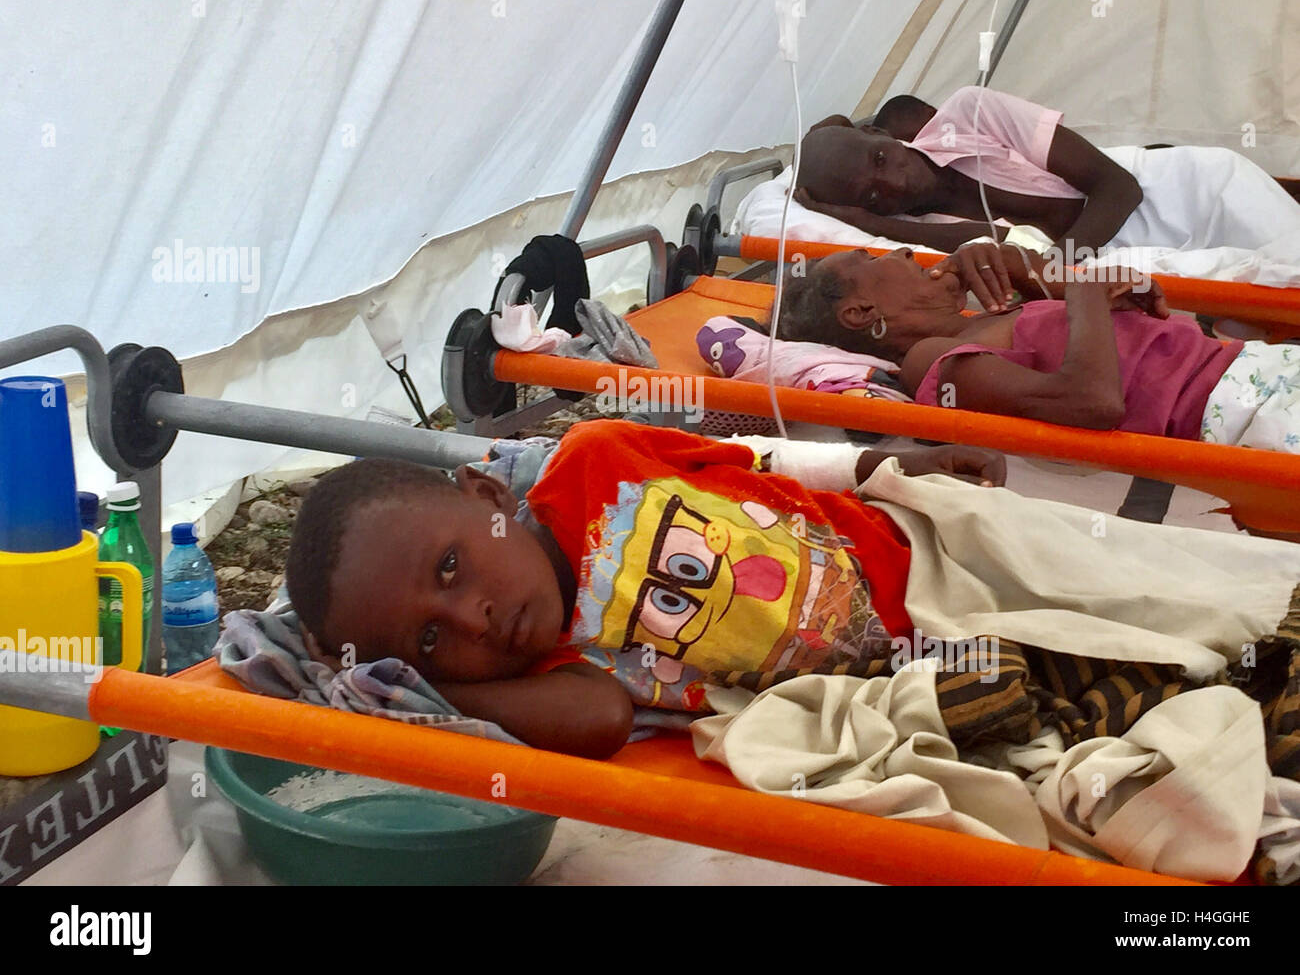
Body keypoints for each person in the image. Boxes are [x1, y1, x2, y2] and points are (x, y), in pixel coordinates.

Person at [285, 414, 1300, 763]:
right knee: (1148, 671)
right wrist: (436, 692)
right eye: (428, 639)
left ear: (482, 491)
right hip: (903, 661)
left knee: (1157, 584)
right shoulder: (562, 662)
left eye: (453, 567)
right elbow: (599, 717)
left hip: (917, 546)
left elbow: (751, 457)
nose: (472, 618)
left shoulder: (596, 459)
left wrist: (876, 460)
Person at [776, 245, 1300, 452]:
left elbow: (1076, 305)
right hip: (1240, 410)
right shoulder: (931, 361)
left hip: (1254, 366)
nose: (906, 251)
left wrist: (1012, 260)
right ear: (861, 313)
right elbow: (1091, 403)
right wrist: (1087, 291)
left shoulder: (987, 318)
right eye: (871, 258)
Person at [795, 86, 1144, 258]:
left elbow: (1119, 188)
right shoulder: (919, 235)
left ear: (879, 134)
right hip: (1139, 246)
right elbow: (1015, 248)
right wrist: (869, 224)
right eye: (871, 196)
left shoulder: (968, 113)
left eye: (881, 159)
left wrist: (1056, 269)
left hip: (1172, 200)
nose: (895, 183)